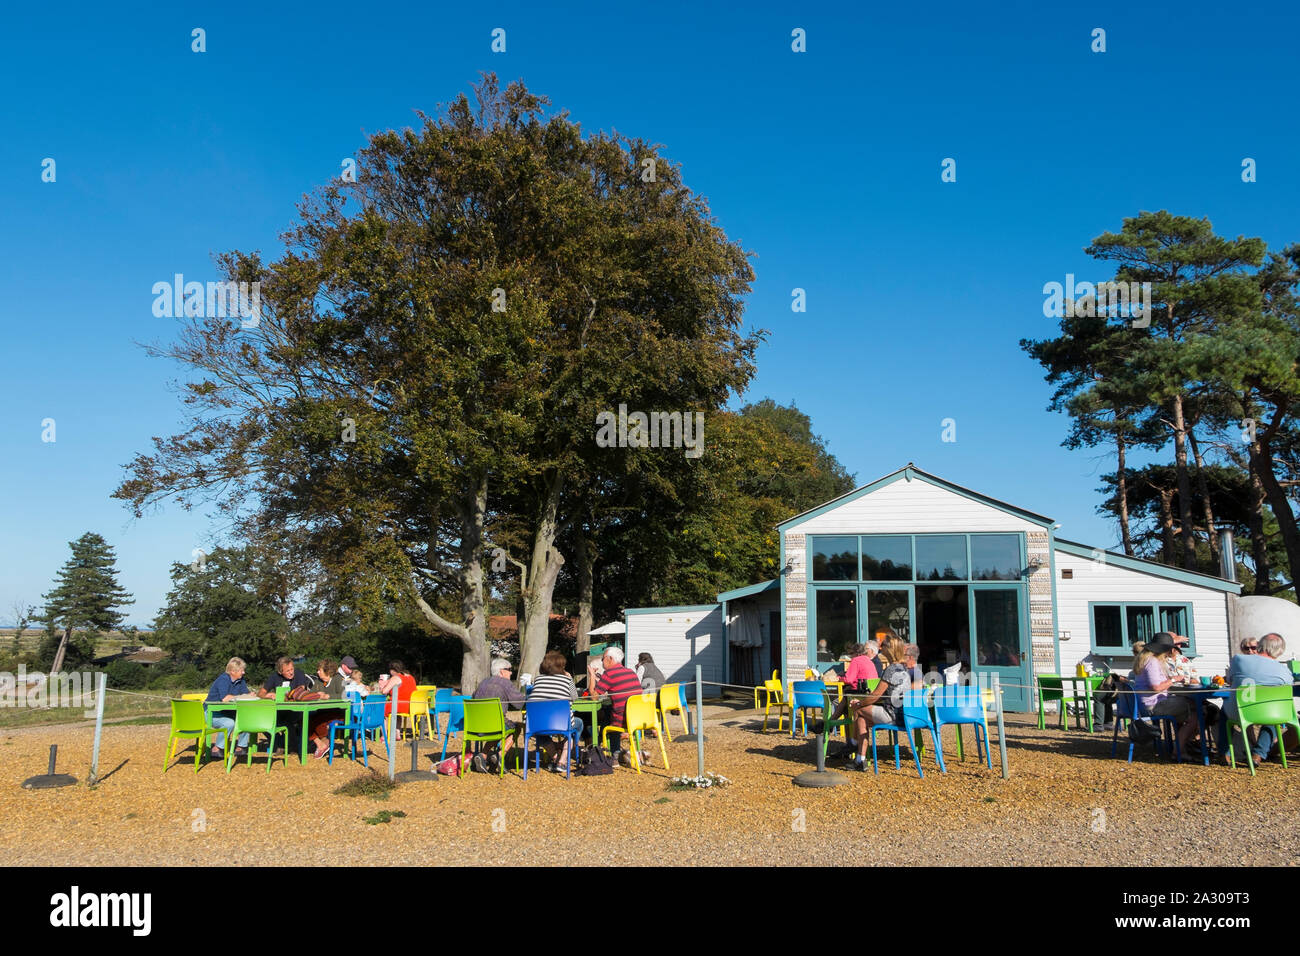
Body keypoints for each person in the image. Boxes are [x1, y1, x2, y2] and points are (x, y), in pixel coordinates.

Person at [1218, 633, 1291, 764]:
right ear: (1279, 650)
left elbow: (1230, 680)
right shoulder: (1283, 670)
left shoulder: (1238, 660)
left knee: (1224, 712)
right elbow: (1288, 685)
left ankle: (1224, 753)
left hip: (1240, 710)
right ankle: (1258, 754)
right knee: (1274, 717)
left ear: (1260, 645)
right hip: (1268, 712)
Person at [842, 638, 911, 771]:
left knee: (858, 710)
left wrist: (859, 703)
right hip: (905, 714)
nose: (880, 648)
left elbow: (875, 696)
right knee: (861, 718)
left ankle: (853, 743)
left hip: (893, 715)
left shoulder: (891, 669)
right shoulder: (903, 668)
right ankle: (860, 760)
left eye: (883, 646)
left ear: (890, 650)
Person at [1130, 633, 1197, 758]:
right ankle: (1179, 750)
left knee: (1189, 710)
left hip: (1145, 704)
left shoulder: (1144, 659)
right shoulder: (1152, 662)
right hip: (1153, 705)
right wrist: (1174, 680)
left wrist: (1170, 680)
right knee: (1196, 711)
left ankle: (1182, 747)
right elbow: (1156, 687)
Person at [526, 650, 584, 771]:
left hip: (536, 723)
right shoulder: (567, 680)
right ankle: (562, 760)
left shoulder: (538, 679)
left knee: (540, 734)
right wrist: (569, 678)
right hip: (562, 722)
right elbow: (575, 698)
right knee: (578, 725)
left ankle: (555, 756)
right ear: (561, 667)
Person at [589, 646, 643, 763]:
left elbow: (594, 697)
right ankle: (614, 751)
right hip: (638, 717)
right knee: (609, 711)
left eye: (603, 658)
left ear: (610, 659)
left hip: (623, 718)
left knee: (607, 716)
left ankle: (611, 752)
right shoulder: (631, 672)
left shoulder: (609, 674)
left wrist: (592, 676)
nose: (602, 661)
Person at [471, 658, 525, 772]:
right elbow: (519, 703)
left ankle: (483, 755)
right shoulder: (505, 683)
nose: (511, 672)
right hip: (495, 725)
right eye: (509, 669)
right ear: (501, 671)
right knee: (516, 727)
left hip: (476, 725)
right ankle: (500, 755)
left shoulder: (483, 682)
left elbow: (473, 698)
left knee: (498, 726)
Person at [204, 657, 252, 759]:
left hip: (226, 711)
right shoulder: (223, 679)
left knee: (246, 719)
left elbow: (245, 693)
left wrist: (250, 695)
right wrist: (241, 696)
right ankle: (217, 748)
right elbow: (225, 698)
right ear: (232, 671)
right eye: (241, 670)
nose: (243, 672)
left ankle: (241, 747)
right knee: (229, 723)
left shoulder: (240, 680)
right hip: (211, 712)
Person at [308, 660, 346, 759]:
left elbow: (344, 696)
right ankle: (321, 743)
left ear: (327, 671)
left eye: (319, 670)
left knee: (316, 721)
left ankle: (324, 742)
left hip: (337, 712)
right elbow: (311, 694)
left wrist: (328, 696)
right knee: (304, 719)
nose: (317, 672)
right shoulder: (318, 681)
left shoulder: (338, 679)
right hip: (322, 711)